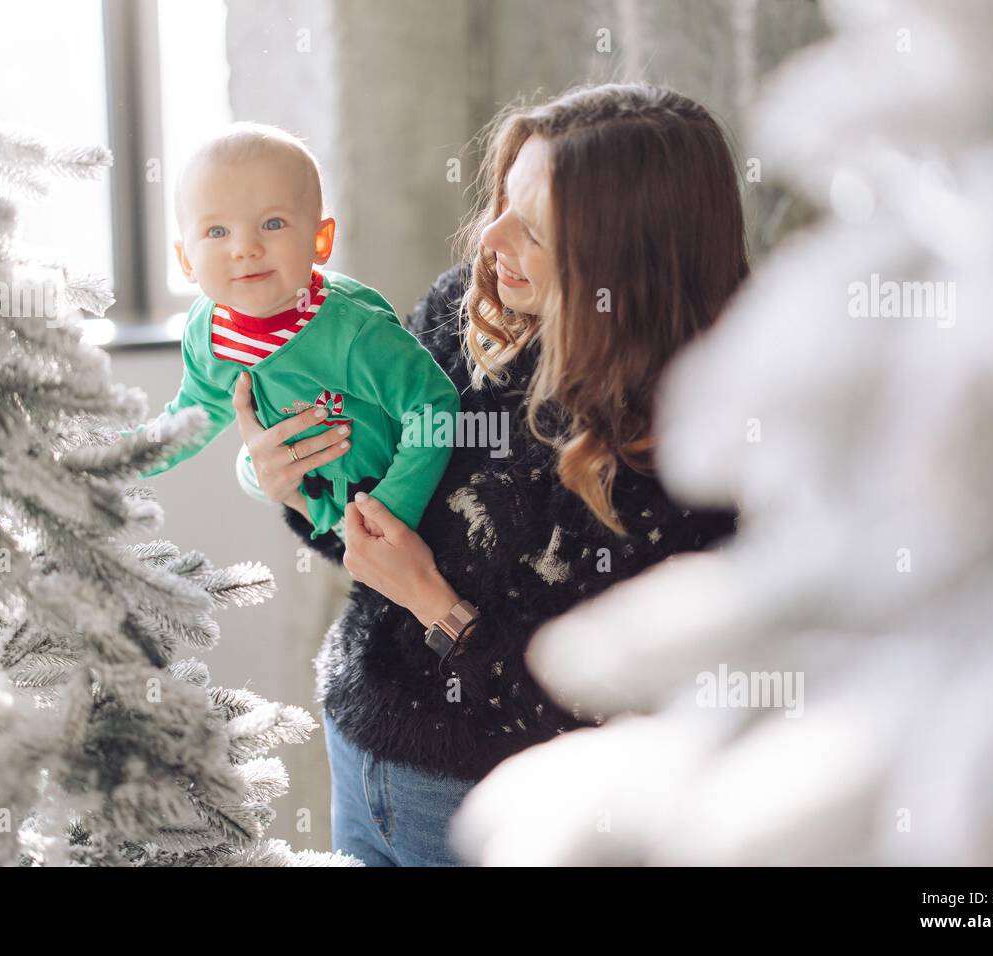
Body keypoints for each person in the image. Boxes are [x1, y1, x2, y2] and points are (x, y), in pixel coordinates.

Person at [233, 83, 747, 866]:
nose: (492, 238)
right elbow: (367, 539)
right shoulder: (461, 318)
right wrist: (302, 485)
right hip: (359, 744)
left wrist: (438, 607)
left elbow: (622, 717)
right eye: (502, 200)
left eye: (534, 228)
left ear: (622, 261)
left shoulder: (700, 447)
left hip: (498, 809)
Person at [140, 122, 459, 540]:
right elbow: (192, 417)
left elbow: (433, 405)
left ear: (320, 239)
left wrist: (392, 508)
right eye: (217, 231)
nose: (244, 248)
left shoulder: (353, 332)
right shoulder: (207, 331)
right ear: (186, 260)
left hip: (415, 508)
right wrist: (115, 456)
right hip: (324, 512)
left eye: (272, 223)